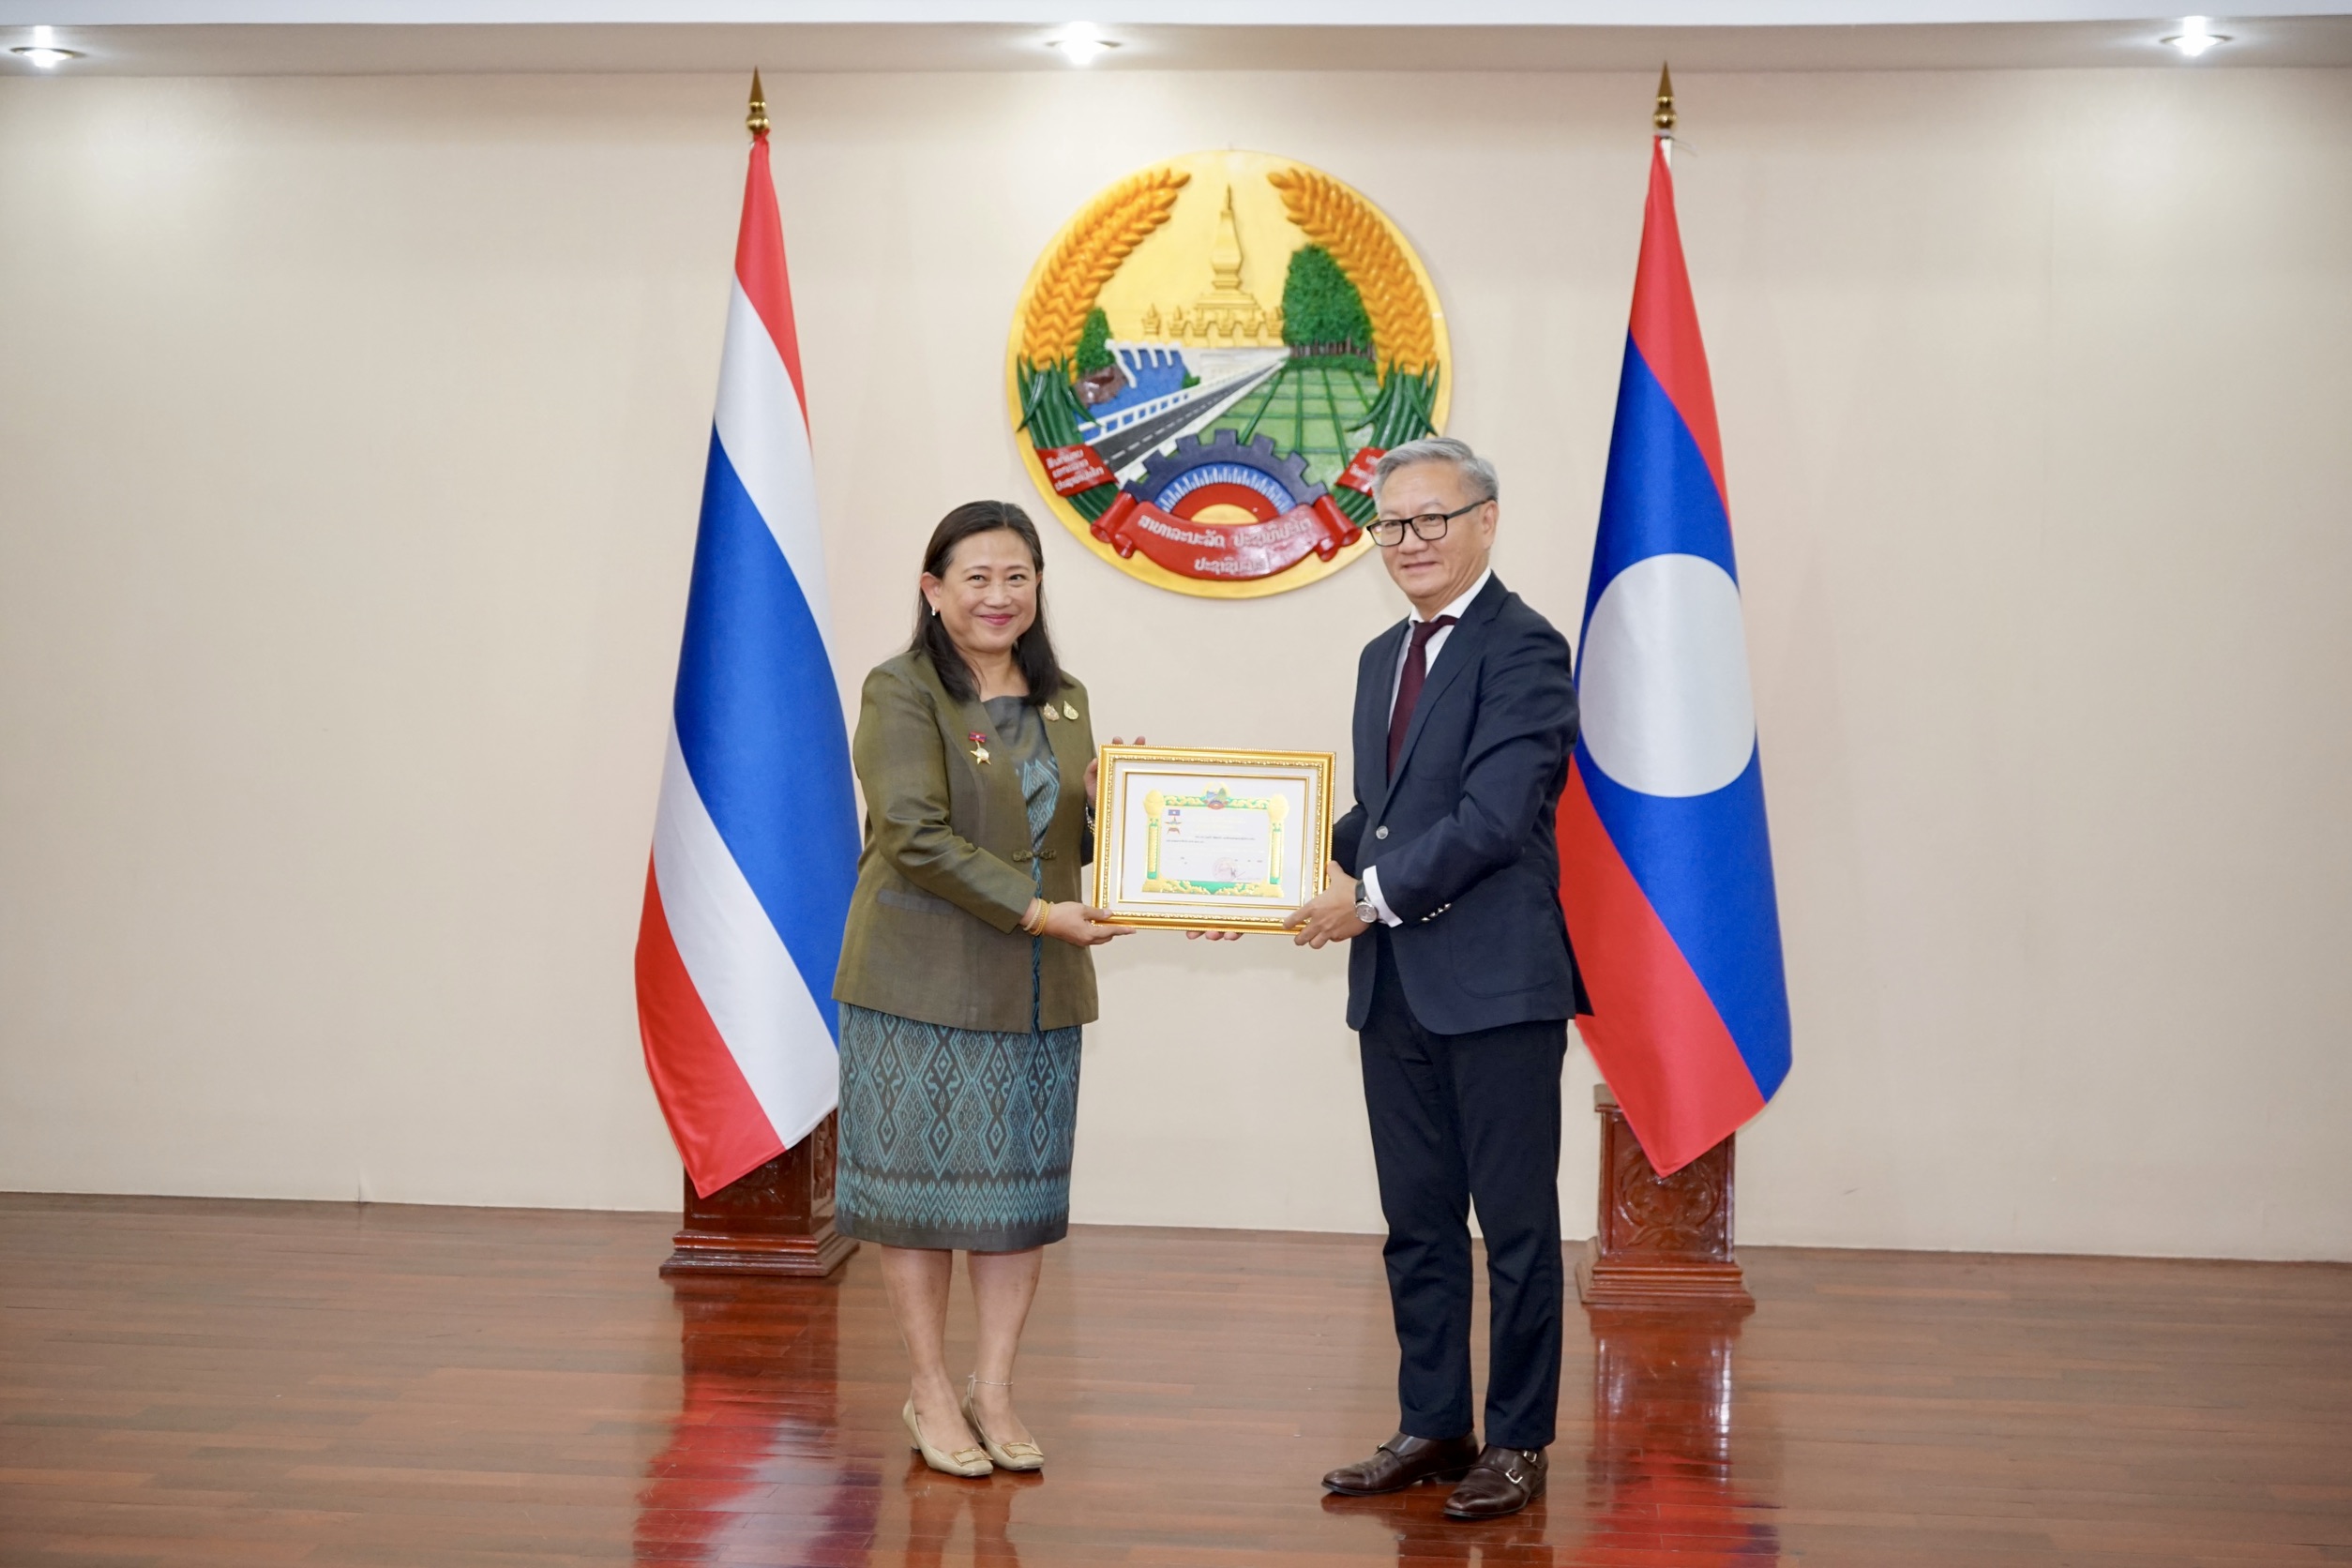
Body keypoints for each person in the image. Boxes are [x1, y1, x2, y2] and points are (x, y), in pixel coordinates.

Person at [1283, 437, 1581, 1521]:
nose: (1408, 540)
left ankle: (1518, 1438)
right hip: (1396, 986)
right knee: (1415, 1222)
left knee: (1516, 1229)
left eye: (1431, 518)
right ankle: (1434, 1422)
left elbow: (1493, 820)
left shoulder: (1526, 648)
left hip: (1498, 986)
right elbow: (1386, 816)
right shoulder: (1382, 655)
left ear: (1485, 521)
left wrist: (1361, 898)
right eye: (1391, 523)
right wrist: (1261, 870)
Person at [832, 499, 1135, 1478]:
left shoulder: (1066, 698)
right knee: (918, 1201)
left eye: (1018, 577)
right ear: (934, 589)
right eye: (977, 578)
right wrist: (1040, 911)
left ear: (1039, 586)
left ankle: (993, 1387)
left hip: (1039, 992)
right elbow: (913, 835)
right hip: (917, 985)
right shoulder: (901, 688)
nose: (999, 596)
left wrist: (1138, 825)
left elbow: (1069, 837)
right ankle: (929, 1388)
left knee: (1017, 1200)